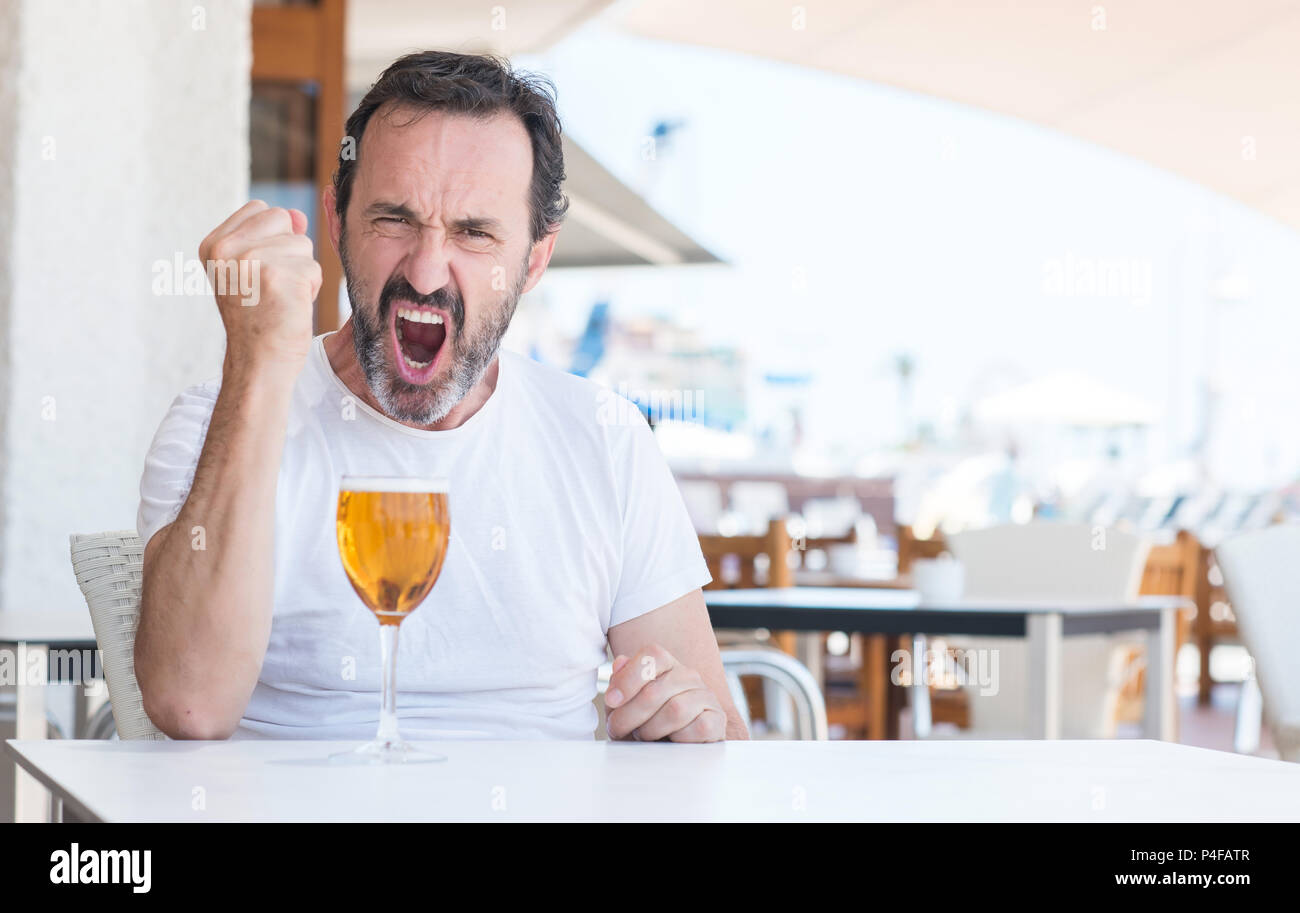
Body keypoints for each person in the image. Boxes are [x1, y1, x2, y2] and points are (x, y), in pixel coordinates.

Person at [134, 51, 747, 743]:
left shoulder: (606, 437)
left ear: (534, 260)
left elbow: (715, 731)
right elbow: (188, 701)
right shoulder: (217, 418)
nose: (426, 272)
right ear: (336, 221)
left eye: (473, 232)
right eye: (394, 219)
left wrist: (680, 718)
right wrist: (257, 367)